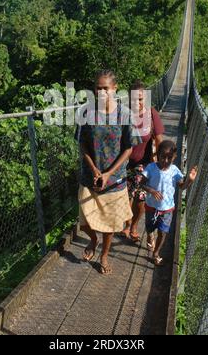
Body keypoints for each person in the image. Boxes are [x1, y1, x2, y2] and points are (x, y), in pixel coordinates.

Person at [76, 70, 141, 275]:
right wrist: (95, 170)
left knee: (111, 223)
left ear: (115, 89)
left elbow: (129, 148)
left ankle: (104, 254)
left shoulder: (125, 115)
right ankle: (93, 240)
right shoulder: (86, 112)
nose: (101, 92)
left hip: (114, 180)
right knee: (85, 220)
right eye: (98, 88)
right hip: (90, 177)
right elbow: (83, 145)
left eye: (106, 88)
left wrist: (108, 173)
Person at [139, 140, 198, 266]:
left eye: (169, 158)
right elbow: (141, 183)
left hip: (167, 209)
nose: (166, 160)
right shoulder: (151, 168)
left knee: (163, 231)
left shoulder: (175, 171)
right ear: (157, 155)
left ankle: (156, 253)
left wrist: (189, 180)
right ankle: (150, 235)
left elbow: (182, 186)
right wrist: (151, 190)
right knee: (149, 227)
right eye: (162, 157)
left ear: (174, 157)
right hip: (151, 206)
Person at [121, 81, 164, 243]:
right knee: (125, 196)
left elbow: (160, 141)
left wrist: (161, 165)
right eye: (133, 99)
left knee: (139, 197)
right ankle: (127, 223)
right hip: (123, 162)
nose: (137, 103)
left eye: (140, 99)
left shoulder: (152, 115)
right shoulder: (123, 115)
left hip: (143, 163)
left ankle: (132, 226)